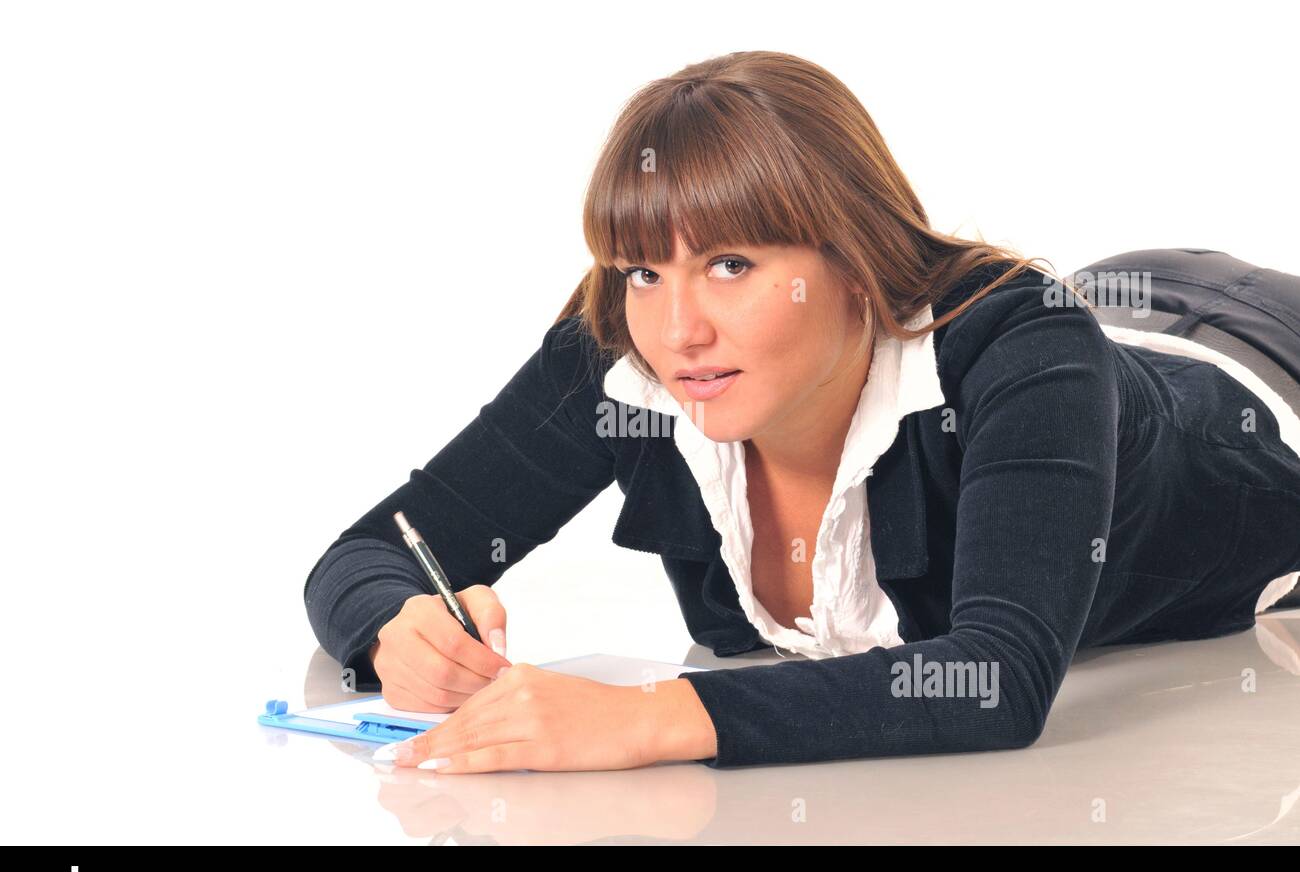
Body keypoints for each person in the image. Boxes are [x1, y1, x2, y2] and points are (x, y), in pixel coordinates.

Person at [303, 51, 1300, 772]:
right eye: (645, 269)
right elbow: (364, 552)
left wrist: (644, 717)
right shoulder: (629, 351)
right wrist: (396, 625)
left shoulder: (1022, 344)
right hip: (1117, 322)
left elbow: (994, 678)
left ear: (852, 260)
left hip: (1263, 366)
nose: (679, 326)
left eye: (732, 264)